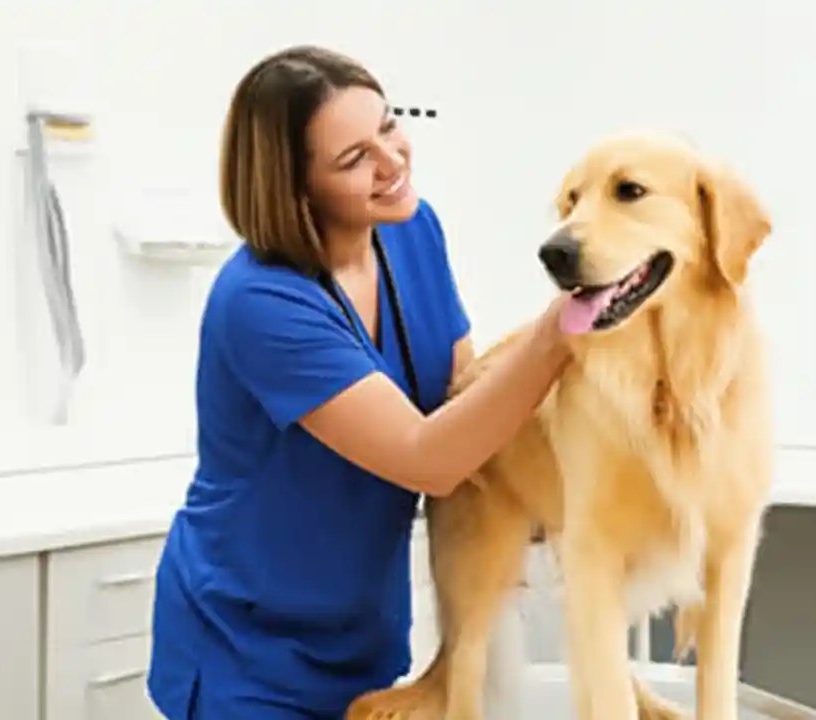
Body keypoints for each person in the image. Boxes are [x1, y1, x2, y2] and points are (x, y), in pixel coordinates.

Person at [146, 45, 573, 719]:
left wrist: (544, 493)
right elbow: (428, 458)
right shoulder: (262, 302)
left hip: (363, 638)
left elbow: (463, 393)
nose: (392, 160)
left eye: (388, 125)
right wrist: (562, 331)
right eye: (354, 159)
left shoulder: (411, 230)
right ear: (295, 188)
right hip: (249, 652)